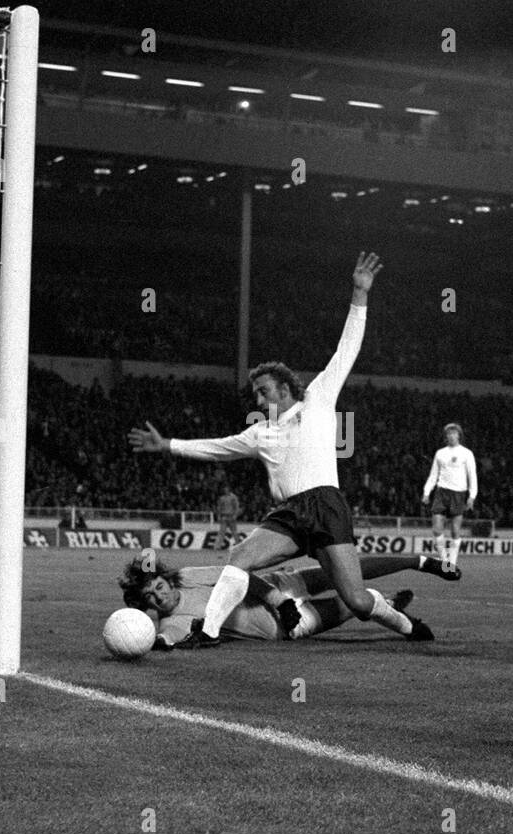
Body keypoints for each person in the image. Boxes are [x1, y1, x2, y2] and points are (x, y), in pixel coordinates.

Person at [127, 252, 434, 646]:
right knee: (238, 557)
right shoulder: (260, 433)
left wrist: (359, 294)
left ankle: (408, 627)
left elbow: (347, 350)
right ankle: (208, 632)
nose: (257, 398)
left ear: (285, 388)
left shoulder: (318, 399)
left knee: (356, 600)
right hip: (288, 515)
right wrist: (167, 444)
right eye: (255, 392)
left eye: (263, 390)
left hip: (325, 505)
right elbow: (216, 448)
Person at [118, 553, 459, 647]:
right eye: (151, 596)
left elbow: (238, 573)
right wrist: (150, 641)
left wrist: (278, 597)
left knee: (346, 569)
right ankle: (405, 622)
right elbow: (166, 639)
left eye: (158, 585)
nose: (159, 594)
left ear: (164, 577)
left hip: (280, 586)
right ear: (147, 605)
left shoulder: (187, 575)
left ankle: (420, 562)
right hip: (284, 624)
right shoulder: (171, 624)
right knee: (358, 602)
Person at [421, 423, 476, 573]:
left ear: (459, 435)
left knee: (455, 531)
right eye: (449, 434)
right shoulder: (440, 453)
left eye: (454, 433)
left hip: (459, 493)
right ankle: (445, 562)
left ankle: (452, 562)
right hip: (441, 492)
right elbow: (433, 475)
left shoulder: (466, 453)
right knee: (437, 529)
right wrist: (427, 492)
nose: (451, 436)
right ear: (446, 437)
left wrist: (472, 496)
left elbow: (472, 476)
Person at [215, 484, 240, 550]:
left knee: (234, 532)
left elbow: (236, 507)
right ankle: (217, 547)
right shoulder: (222, 498)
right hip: (224, 516)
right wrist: (219, 516)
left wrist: (235, 515)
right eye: (224, 489)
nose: (225, 490)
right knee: (221, 532)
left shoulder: (233, 497)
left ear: (229, 489)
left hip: (231, 517)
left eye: (226, 489)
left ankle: (239, 545)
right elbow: (219, 508)